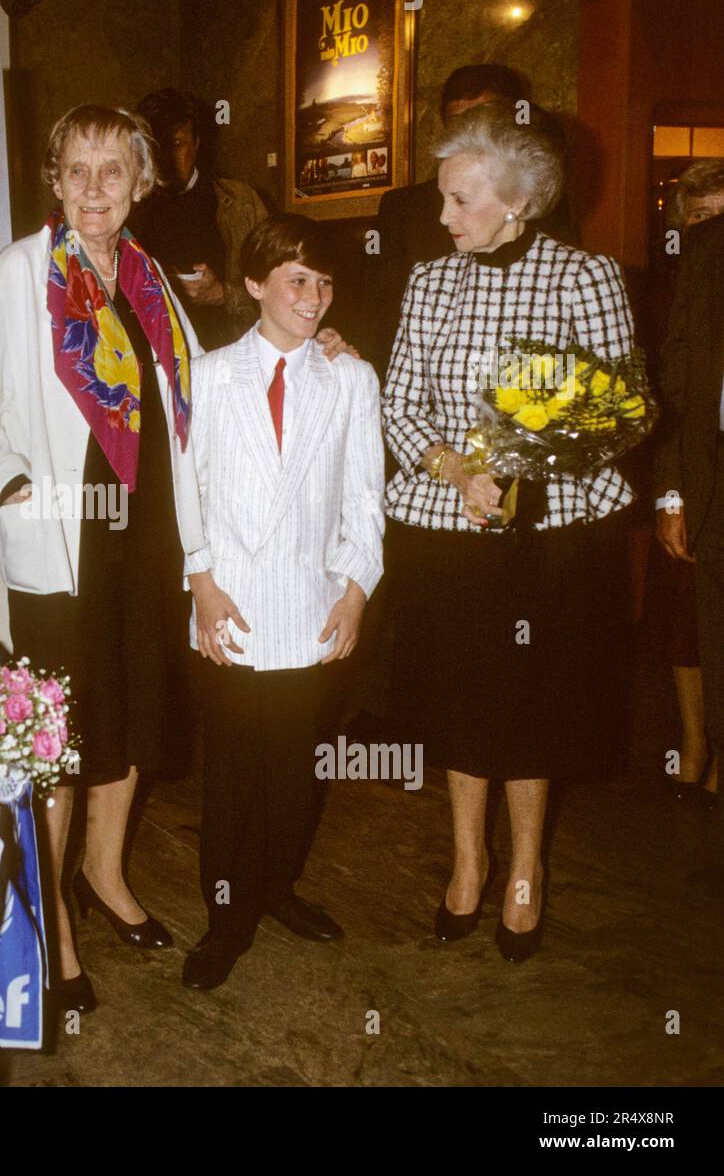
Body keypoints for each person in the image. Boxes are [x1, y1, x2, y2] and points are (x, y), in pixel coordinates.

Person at [0, 104, 203, 1015]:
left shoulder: (150, 278)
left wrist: (307, 344)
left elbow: (199, 392)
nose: (95, 188)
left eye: (114, 170)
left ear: (141, 181)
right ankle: (51, 916)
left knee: (132, 708)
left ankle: (106, 873)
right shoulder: (20, 275)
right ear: (54, 180)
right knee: (58, 734)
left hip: (145, 532)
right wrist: (9, 481)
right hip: (64, 540)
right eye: (77, 170)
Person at [382, 102, 639, 964]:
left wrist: (522, 460)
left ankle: (526, 866)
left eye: (461, 200)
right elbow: (398, 403)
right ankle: (468, 858)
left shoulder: (583, 276)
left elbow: (625, 410)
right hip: (448, 525)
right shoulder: (428, 279)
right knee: (462, 698)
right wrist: (459, 469)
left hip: (552, 535)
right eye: (445, 199)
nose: (444, 216)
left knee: (534, 703)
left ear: (516, 201)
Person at [181, 214, 384, 990]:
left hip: (312, 601)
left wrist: (358, 590)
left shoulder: (350, 379)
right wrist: (199, 583)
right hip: (226, 602)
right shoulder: (208, 374)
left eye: (325, 282)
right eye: (298, 279)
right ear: (256, 284)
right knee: (233, 771)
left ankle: (277, 887)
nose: (315, 297)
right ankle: (226, 917)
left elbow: (366, 500)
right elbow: (184, 493)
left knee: (299, 768)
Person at [366, 65, 577, 373]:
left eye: (484, 120)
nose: (473, 134)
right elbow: (381, 312)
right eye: (459, 123)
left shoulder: (540, 207)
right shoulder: (404, 208)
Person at [644, 161, 724, 810]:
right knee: (686, 622)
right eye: (702, 220)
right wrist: (670, 494)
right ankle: (696, 746)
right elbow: (665, 392)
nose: (713, 233)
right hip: (695, 478)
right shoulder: (675, 291)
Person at [134, 88, 268, 351]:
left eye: (176, 144)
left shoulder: (240, 202)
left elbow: (280, 287)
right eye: (156, 147)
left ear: (196, 143)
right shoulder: (128, 208)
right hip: (156, 358)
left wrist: (223, 295)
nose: (166, 159)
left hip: (230, 353)